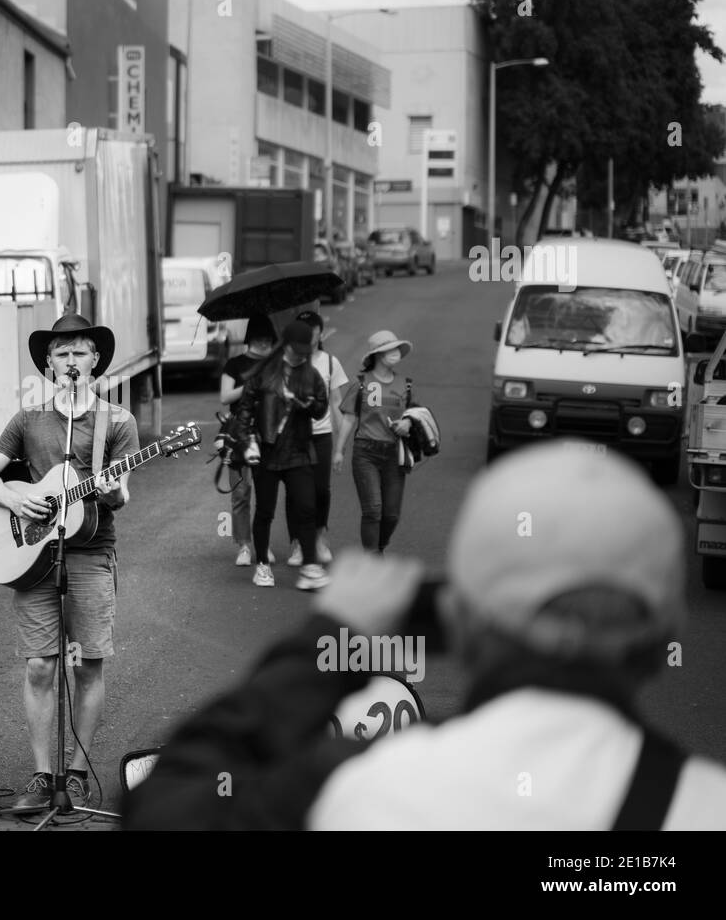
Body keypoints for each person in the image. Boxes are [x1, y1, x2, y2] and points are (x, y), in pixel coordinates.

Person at [122, 441, 726, 830]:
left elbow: (162, 811)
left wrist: (329, 642)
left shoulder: (361, 787)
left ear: (457, 618)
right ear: (668, 632)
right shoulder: (708, 807)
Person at [0, 314, 139, 811]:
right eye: (62, 353)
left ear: (95, 361)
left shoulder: (120, 422)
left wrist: (111, 489)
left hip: (89, 552)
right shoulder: (29, 420)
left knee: (87, 666)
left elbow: (123, 494)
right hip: (36, 553)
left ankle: (77, 773)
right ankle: (43, 776)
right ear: (49, 363)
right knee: (42, 666)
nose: (71, 361)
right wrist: (16, 501)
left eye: (80, 352)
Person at [233, 320, 330, 591]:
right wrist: (247, 442)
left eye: (305, 350)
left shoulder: (310, 374)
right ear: (286, 345)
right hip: (267, 451)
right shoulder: (263, 373)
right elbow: (244, 413)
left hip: (299, 450)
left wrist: (306, 403)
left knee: (307, 507)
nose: (302, 354)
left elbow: (321, 409)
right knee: (265, 510)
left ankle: (310, 566)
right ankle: (262, 564)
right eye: (297, 349)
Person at [334, 330, 414, 555]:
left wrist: (407, 424)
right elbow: (350, 418)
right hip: (365, 452)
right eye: (391, 349)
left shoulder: (405, 385)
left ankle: (379, 546)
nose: (396, 353)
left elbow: (413, 414)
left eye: (398, 348)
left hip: (393, 453)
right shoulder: (362, 384)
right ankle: (371, 557)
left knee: (391, 514)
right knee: (373, 510)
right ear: (378, 355)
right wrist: (339, 451)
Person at [218, 315, 276, 567]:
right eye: (259, 339)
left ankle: (263, 544)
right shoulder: (235, 364)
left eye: (268, 340)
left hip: (268, 433)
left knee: (265, 494)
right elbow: (225, 396)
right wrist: (250, 384)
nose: (264, 344)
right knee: (241, 492)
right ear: (250, 339)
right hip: (238, 434)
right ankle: (243, 545)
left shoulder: (276, 364)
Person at [292, 311, 349, 568]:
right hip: (294, 436)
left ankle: (319, 538)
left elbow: (337, 403)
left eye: (313, 333)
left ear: (320, 335)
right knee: (295, 492)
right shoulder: (289, 361)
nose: (309, 338)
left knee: (321, 490)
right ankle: (296, 544)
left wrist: (340, 445)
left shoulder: (329, 362)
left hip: (322, 435)